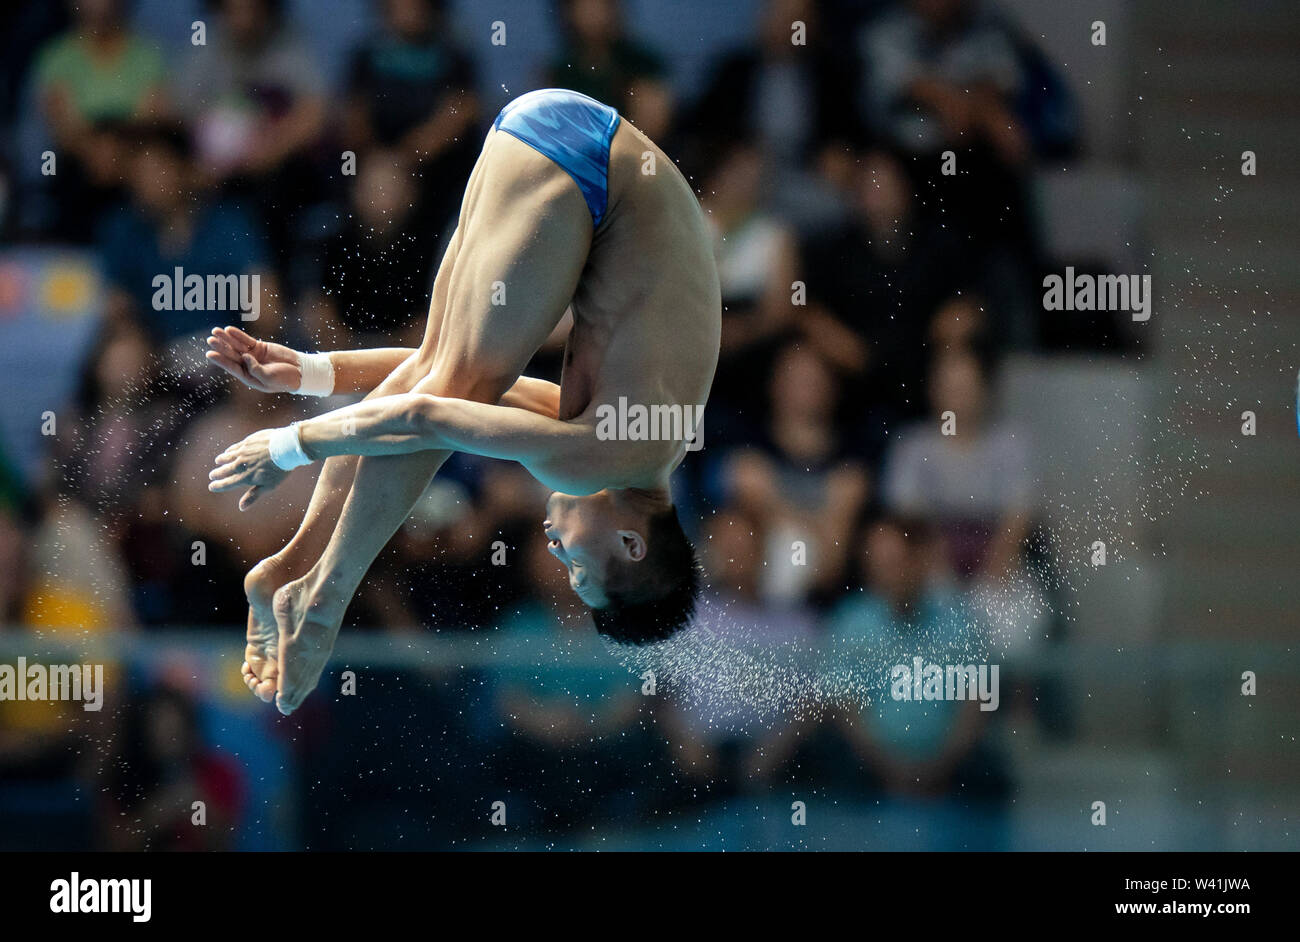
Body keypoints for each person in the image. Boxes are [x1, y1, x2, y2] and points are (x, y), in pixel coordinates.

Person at [205, 89, 720, 715]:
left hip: (559, 137)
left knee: (447, 371)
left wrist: (315, 371)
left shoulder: (635, 440)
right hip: (581, 162)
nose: (558, 556)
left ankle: (293, 566)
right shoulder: (601, 461)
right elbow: (426, 418)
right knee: (453, 391)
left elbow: (429, 383)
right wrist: (290, 446)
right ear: (632, 545)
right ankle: (323, 600)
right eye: (581, 574)